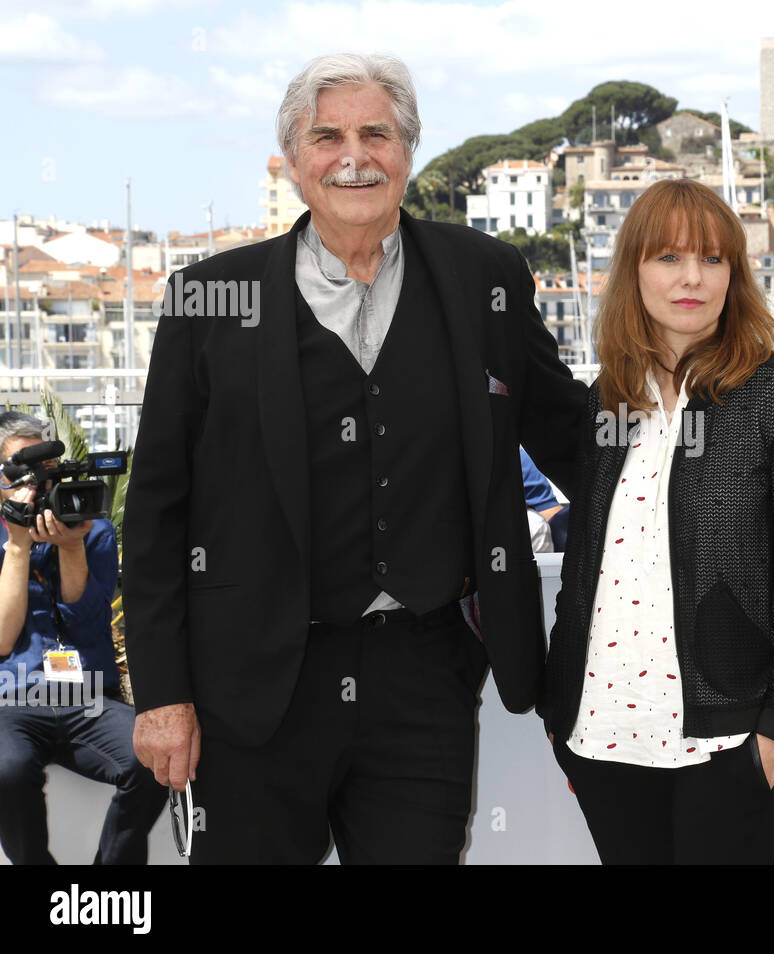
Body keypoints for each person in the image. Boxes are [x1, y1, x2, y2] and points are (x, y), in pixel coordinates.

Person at [124, 53, 587, 864]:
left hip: (424, 676)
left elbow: (572, 439)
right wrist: (163, 694)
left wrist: (709, 454)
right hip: (251, 686)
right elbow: (156, 514)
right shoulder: (206, 299)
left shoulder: (486, 278)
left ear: (408, 150)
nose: (354, 154)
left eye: (377, 133)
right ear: (294, 162)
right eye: (327, 135)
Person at [541, 178, 774, 864]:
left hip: (729, 744)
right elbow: (586, 566)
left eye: (713, 259)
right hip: (600, 737)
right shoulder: (606, 404)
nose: (692, 279)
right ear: (634, 273)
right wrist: (559, 718)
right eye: (668, 258)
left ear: (734, 275)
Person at [0, 412, 166, 864]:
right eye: (22, 472)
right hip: (12, 699)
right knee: (5, 768)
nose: (38, 484)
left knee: (153, 759)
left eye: (46, 472)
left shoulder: (90, 528)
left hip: (88, 695)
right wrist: (17, 547)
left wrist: (71, 547)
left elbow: (87, 625)